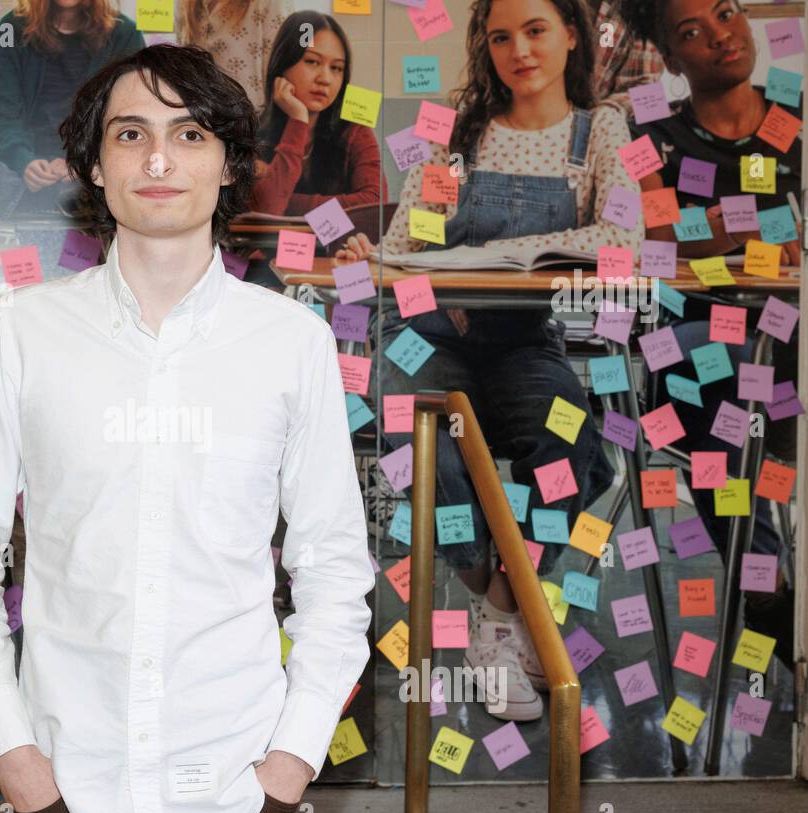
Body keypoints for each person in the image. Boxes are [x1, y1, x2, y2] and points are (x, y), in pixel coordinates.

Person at [0, 43, 374, 813]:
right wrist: (21, 770)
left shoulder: (292, 343)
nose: (159, 158)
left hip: (238, 804)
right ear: (93, 166)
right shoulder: (22, 332)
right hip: (65, 803)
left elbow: (335, 572)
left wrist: (288, 768)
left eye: (191, 134)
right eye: (130, 135)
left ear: (231, 162)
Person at [339, 0, 642, 721]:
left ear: (572, 34)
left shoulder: (599, 129)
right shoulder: (455, 128)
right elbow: (415, 238)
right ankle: (495, 600)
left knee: (565, 437)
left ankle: (506, 608)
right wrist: (370, 254)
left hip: (524, 340)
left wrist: (516, 261)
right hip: (425, 328)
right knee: (427, 446)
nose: (520, 51)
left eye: (536, 31)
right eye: (501, 37)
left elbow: (624, 236)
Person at [620, 0, 801, 668]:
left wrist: (721, 230)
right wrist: (760, 228)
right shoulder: (651, 132)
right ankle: (768, 586)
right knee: (701, 375)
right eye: (692, 33)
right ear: (671, 60)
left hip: (791, 338)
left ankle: (768, 591)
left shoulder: (796, 112)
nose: (721, 36)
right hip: (696, 339)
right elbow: (655, 241)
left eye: (726, 13)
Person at [0, 0, 144, 220]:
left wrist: (88, 162)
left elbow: (135, 117)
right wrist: (23, 161)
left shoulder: (124, 33)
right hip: (24, 188)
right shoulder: (10, 28)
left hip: (97, 189)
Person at [250, 10, 387, 217]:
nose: (325, 79)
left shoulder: (354, 128)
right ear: (283, 63)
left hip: (336, 249)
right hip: (272, 249)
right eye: (312, 62)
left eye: (336, 68)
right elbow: (268, 206)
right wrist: (298, 120)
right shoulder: (252, 133)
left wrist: (289, 202)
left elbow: (375, 205)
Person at [175, 0, 294, 114]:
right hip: (202, 115)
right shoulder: (186, 5)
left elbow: (281, 67)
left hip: (253, 119)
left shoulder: (267, 3)